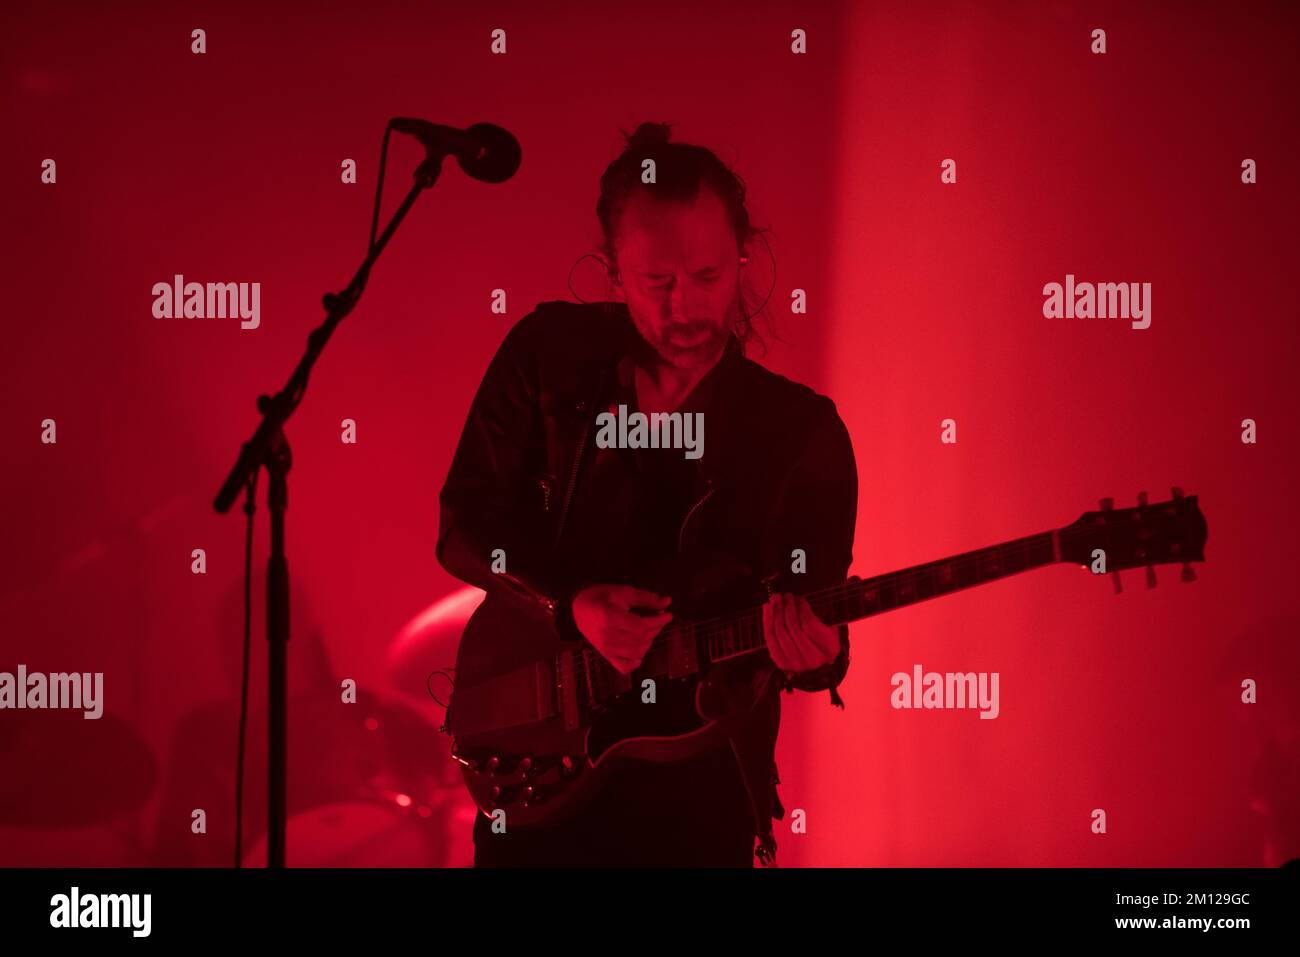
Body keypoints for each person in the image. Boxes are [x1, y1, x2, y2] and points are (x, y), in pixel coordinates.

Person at [437, 122, 858, 866]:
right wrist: (568, 605)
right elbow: (463, 525)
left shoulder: (801, 430)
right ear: (612, 274)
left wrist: (818, 654)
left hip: (697, 797)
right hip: (541, 776)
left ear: (743, 258)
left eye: (708, 276)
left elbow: (813, 605)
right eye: (656, 282)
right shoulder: (546, 355)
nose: (684, 307)